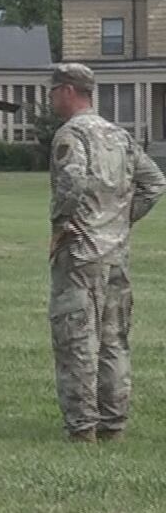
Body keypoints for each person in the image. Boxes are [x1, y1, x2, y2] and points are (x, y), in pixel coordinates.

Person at [46, 63, 164, 443]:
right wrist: (119, 221)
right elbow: (154, 184)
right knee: (114, 341)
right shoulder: (119, 135)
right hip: (116, 254)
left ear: (67, 91)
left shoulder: (71, 134)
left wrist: (65, 224)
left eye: (53, 90)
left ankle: (82, 429)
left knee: (77, 339)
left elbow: (73, 182)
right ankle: (113, 425)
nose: (51, 98)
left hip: (81, 253)